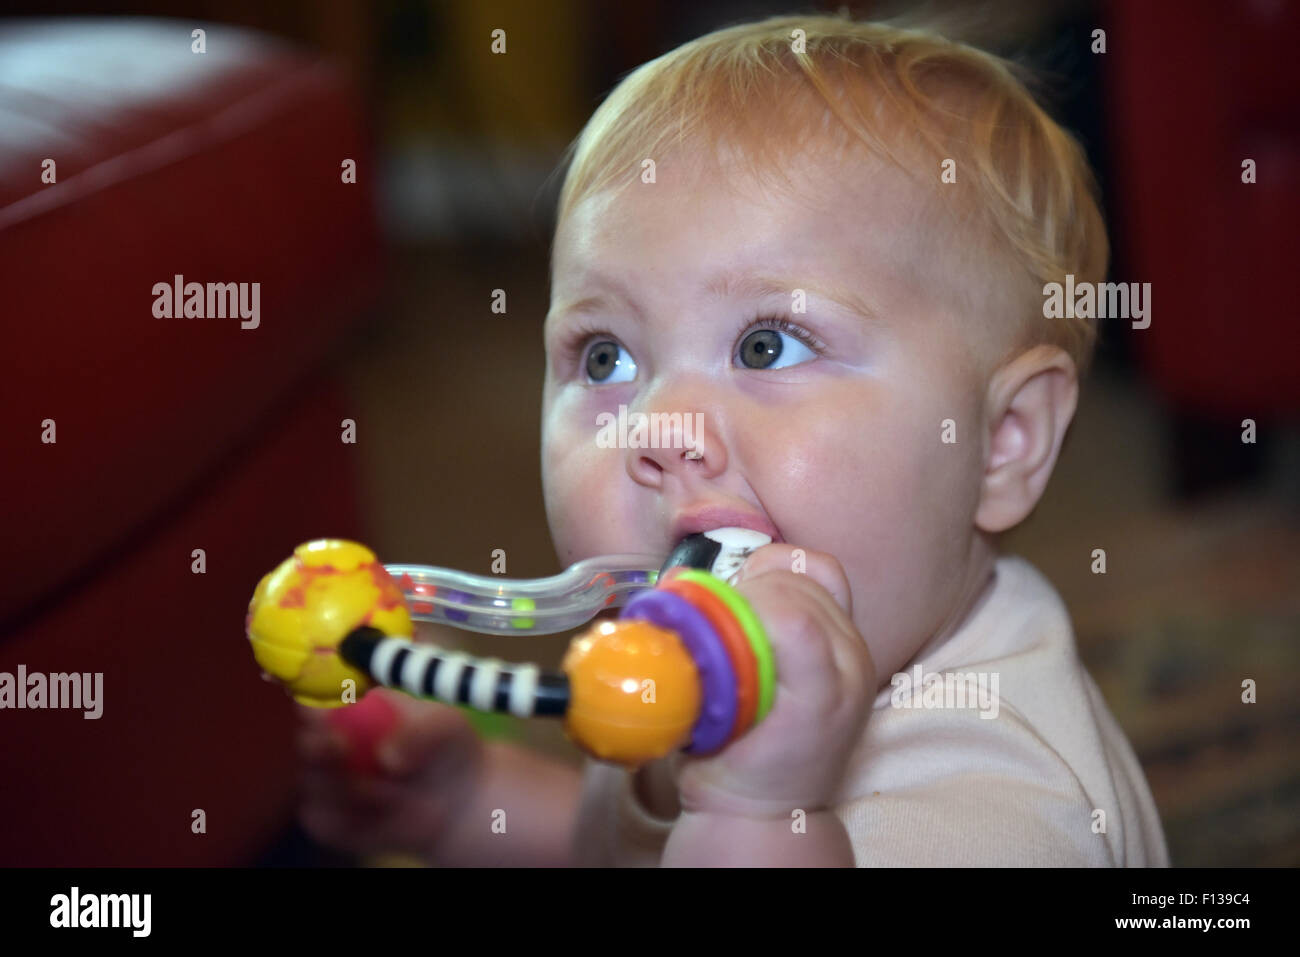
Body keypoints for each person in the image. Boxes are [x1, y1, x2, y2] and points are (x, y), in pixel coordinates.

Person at [299, 12, 1168, 866]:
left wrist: (758, 815)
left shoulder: (1000, 809)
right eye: (606, 357)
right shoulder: (710, 673)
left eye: (767, 345)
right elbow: (621, 848)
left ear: (1003, 439)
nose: (659, 428)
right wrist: (467, 798)